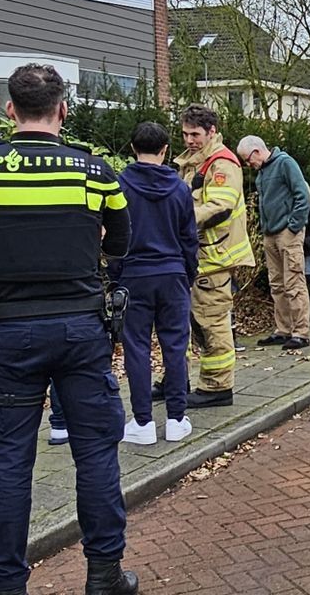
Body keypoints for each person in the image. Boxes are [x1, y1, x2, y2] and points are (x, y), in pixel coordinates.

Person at [0, 64, 138, 595]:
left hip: (11, 331)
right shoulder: (95, 172)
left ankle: (6, 585)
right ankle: (104, 574)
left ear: (10, 110)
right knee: (96, 453)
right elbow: (119, 244)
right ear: (63, 110)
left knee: (10, 463)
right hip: (81, 329)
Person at [112, 122, 200, 445]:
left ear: (133, 149)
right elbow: (189, 238)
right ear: (165, 150)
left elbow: (113, 238)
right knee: (175, 346)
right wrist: (188, 273)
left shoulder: (119, 186)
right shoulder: (180, 189)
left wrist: (115, 277)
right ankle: (176, 418)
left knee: (137, 347)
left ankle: (143, 422)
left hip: (134, 275)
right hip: (173, 274)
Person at [177, 104, 255, 408]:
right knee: (193, 322)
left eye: (195, 134)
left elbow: (220, 208)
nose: (189, 140)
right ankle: (185, 381)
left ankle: (217, 387)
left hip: (214, 257)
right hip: (199, 256)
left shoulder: (221, 164)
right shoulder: (195, 161)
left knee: (212, 322)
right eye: (185, 134)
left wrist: (179, 220)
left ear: (211, 132)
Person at [238, 134, 310, 350]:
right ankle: (283, 329)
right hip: (270, 234)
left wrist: (293, 226)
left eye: (248, 159)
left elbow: (302, 196)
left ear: (256, 151)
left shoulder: (285, 163)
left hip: (287, 233)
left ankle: (300, 332)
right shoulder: (263, 172)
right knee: (277, 284)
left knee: (294, 282)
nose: (248, 164)